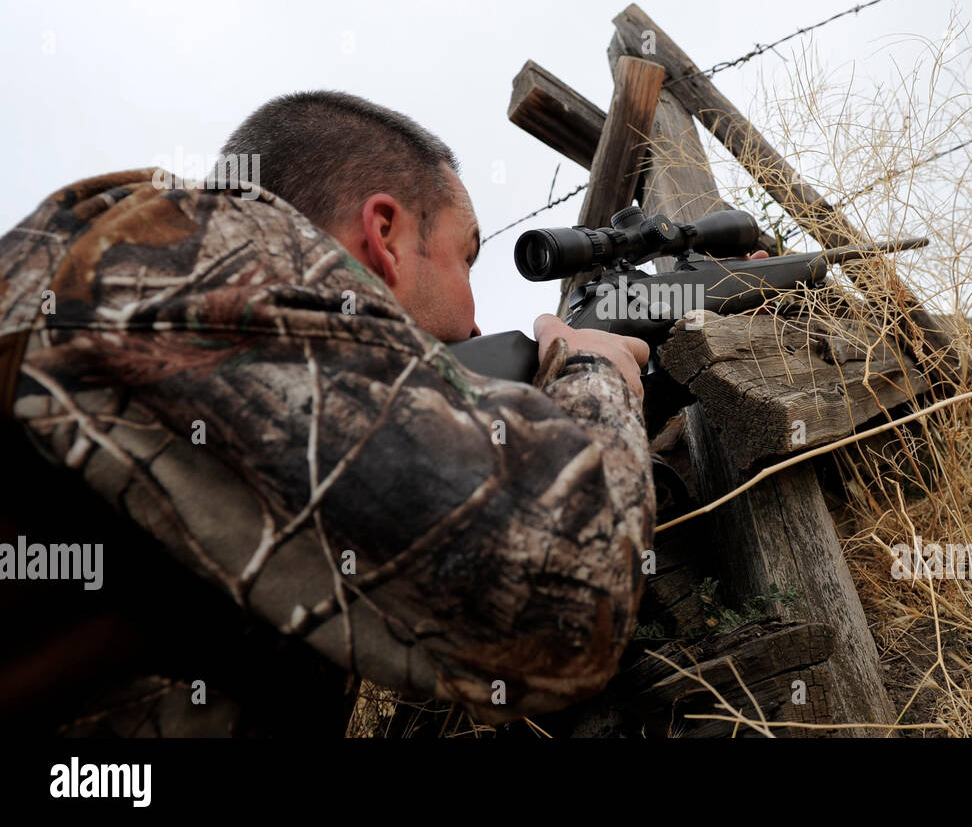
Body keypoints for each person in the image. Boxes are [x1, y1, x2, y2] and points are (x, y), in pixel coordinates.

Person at [0, 90, 656, 736]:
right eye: (467, 258)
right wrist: (593, 370)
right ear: (385, 234)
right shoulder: (182, 256)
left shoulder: (111, 276)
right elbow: (564, 604)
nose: (477, 317)